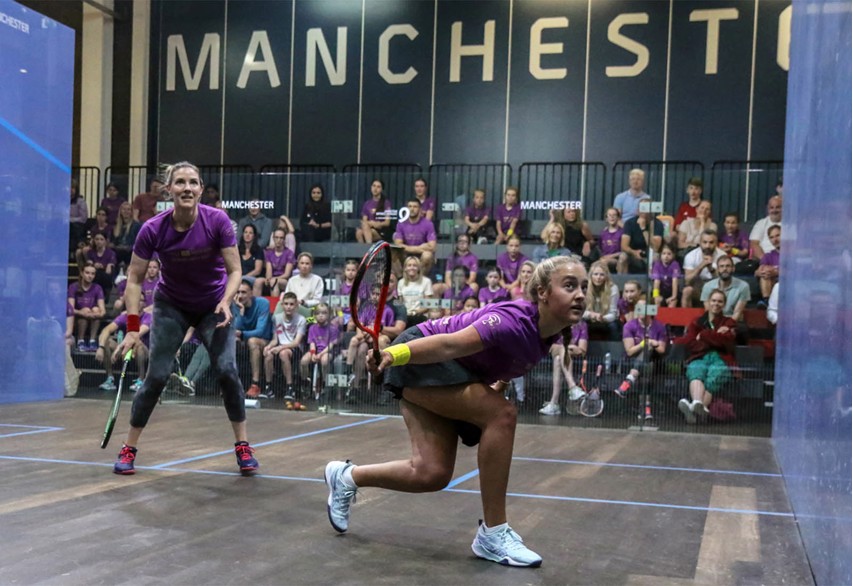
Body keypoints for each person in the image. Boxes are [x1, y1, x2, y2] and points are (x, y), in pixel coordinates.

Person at [323, 256, 587, 567]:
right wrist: (393, 355)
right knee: (502, 415)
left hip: (454, 371)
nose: (581, 294)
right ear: (542, 292)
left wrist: (496, 383)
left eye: (583, 286)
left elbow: (505, 358)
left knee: (431, 473)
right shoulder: (512, 319)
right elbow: (449, 345)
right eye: (569, 286)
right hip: (422, 356)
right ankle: (493, 533)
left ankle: (346, 477)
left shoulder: (549, 334)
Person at [111, 161, 260, 476]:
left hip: (213, 307)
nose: (187, 188)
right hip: (172, 306)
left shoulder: (217, 220)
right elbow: (135, 280)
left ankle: (243, 446)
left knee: (227, 371)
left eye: (193, 182)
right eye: (179, 182)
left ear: (201, 189)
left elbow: (236, 271)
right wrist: (133, 330)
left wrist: (225, 300)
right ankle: (128, 448)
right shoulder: (153, 228)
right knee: (157, 377)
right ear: (169, 190)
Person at [676, 289, 737, 424]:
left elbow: (725, 343)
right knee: (696, 370)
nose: (716, 304)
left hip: (721, 358)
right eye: (713, 300)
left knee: (716, 373)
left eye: (720, 301)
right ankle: (698, 405)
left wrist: (703, 336)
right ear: (708, 303)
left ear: (724, 304)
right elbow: (690, 343)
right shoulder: (696, 322)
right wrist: (714, 337)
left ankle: (694, 412)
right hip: (700, 356)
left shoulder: (729, 323)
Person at [345, 283, 396, 403]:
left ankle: (381, 383)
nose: (375, 296)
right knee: (361, 348)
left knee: (380, 341)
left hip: (379, 340)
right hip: (366, 340)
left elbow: (388, 331)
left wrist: (374, 333)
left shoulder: (388, 310)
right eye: (373, 294)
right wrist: (364, 334)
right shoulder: (366, 309)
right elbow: (360, 326)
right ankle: (354, 382)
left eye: (378, 294)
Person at [614, 307, 668, 421]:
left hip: (656, 361)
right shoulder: (629, 325)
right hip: (632, 361)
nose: (640, 311)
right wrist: (643, 343)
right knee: (647, 363)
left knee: (648, 355)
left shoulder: (659, 326)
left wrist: (654, 343)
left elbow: (662, 350)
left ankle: (629, 381)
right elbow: (630, 351)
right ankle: (646, 409)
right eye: (639, 308)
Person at [539, 320, 589, 416]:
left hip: (576, 359)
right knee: (559, 356)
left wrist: (565, 348)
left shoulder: (582, 325)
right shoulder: (555, 323)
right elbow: (551, 348)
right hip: (561, 355)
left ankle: (554, 403)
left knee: (561, 353)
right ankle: (572, 387)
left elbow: (582, 350)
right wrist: (567, 347)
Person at [264, 292, 307, 400]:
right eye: (286, 304)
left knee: (283, 353)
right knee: (268, 354)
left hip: (294, 348)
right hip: (280, 345)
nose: (288, 307)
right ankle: (268, 387)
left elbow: (296, 342)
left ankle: (290, 387)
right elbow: (275, 339)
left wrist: (280, 348)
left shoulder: (301, 319)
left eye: (291, 304)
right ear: (282, 305)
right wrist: (269, 346)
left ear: (296, 306)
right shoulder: (276, 318)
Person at [233, 279, 272, 399]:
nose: (240, 295)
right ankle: (232, 383)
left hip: (265, 340)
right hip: (243, 338)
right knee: (230, 341)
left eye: (244, 292)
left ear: (251, 293)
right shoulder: (235, 304)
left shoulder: (263, 303)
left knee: (252, 341)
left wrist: (242, 334)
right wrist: (241, 311)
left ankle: (255, 384)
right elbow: (235, 328)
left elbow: (260, 331)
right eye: (238, 292)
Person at [96, 310, 153, 393]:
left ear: (144, 304)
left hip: (144, 351)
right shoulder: (124, 317)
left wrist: (119, 348)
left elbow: (137, 335)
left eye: (140, 300)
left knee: (139, 344)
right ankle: (110, 379)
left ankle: (141, 380)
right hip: (126, 349)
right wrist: (101, 347)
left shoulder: (148, 317)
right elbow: (106, 330)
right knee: (107, 342)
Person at [299, 303, 340, 400]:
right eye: (318, 313)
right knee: (304, 361)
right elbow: (312, 343)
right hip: (316, 351)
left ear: (329, 314)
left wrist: (321, 354)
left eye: (324, 313)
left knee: (324, 360)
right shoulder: (312, 328)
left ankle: (325, 385)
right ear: (314, 315)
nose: (320, 315)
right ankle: (306, 383)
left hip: (328, 352)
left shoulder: (333, 329)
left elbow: (331, 345)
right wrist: (313, 353)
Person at [681, 230, 726, 308]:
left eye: (711, 242)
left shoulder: (722, 256)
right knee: (687, 291)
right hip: (698, 287)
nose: (707, 246)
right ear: (700, 242)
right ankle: (685, 318)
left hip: (715, 288)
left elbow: (724, 281)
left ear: (716, 243)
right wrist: (700, 267)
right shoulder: (691, 256)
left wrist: (711, 269)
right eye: (705, 242)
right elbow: (687, 281)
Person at [700, 255, 750, 325]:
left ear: (733, 268)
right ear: (717, 269)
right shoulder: (707, 286)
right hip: (713, 322)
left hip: (734, 323)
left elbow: (737, 312)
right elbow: (709, 311)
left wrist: (727, 327)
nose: (725, 269)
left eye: (728, 266)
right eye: (722, 266)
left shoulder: (743, 286)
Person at [617, 198, 664, 274]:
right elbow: (624, 246)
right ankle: (622, 282)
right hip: (632, 253)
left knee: (656, 258)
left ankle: (651, 284)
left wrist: (643, 229)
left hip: (650, 254)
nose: (643, 211)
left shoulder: (657, 224)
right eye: (641, 207)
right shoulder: (629, 223)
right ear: (637, 210)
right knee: (622, 257)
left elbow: (655, 247)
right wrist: (634, 252)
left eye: (645, 208)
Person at [68, 264, 106, 352]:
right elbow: (70, 309)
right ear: (82, 273)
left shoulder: (97, 288)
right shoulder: (73, 287)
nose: (90, 276)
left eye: (93, 274)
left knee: (96, 310)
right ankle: (80, 341)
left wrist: (96, 314)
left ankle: (92, 341)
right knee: (86, 311)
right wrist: (82, 313)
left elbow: (103, 310)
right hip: (77, 317)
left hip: (92, 317)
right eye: (87, 273)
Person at [393, 198, 437, 274]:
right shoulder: (401, 224)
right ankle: (401, 279)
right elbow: (398, 246)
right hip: (405, 255)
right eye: (410, 206)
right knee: (392, 254)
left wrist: (407, 247)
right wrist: (420, 248)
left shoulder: (428, 224)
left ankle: (419, 279)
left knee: (428, 255)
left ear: (420, 209)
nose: (412, 209)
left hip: (421, 256)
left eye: (415, 207)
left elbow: (432, 247)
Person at [434, 233, 479, 298]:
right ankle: (437, 308)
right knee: (436, 287)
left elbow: (472, 278)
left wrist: (462, 287)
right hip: (452, 285)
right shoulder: (451, 257)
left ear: (469, 244)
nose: (462, 243)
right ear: (457, 243)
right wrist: (453, 288)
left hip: (465, 285)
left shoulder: (473, 258)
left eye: (465, 242)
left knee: (474, 286)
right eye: (460, 241)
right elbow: (447, 277)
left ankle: (469, 306)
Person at [584, 261, 620, 340]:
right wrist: (591, 314)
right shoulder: (585, 287)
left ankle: (614, 350)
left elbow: (613, 314)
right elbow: (581, 313)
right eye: (595, 274)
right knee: (579, 324)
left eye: (602, 274)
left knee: (613, 326)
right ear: (591, 276)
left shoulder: (613, 288)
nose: (598, 277)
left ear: (606, 276)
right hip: (589, 318)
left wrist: (602, 318)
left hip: (606, 319)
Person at [397, 255, 433, 326]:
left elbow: (428, 305)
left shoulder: (426, 281)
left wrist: (415, 312)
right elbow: (400, 303)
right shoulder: (401, 282)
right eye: (409, 265)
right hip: (405, 316)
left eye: (414, 265)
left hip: (420, 316)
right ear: (405, 268)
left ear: (418, 268)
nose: (412, 268)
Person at [355, 179, 392, 244]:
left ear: (381, 189)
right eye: (374, 186)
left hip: (380, 230)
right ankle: (363, 251)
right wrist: (371, 223)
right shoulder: (367, 203)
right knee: (358, 232)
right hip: (368, 228)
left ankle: (369, 249)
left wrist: (377, 224)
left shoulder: (386, 203)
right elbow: (364, 220)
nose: (375, 189)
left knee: (366, 228)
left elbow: (387, 222)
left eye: (378, 187)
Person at [263, 228, 296, 297]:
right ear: (273, 238)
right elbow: (269, 270)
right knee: (258, 281)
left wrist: (274, 279)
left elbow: (287, 274)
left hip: (285, 280)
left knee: (273, 281)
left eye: (281, 238)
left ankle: (275, 305)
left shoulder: (289, 253)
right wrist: (268, 278)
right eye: (276, 237)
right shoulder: (269, 253)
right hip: (272, 278)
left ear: (284, 239)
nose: (279, 240)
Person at [749, 195, 782, 261]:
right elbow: (754, 244)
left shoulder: (790, 224)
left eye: (778, 207)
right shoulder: (761, 223)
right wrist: (766, 260)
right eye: (771, 208)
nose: (774, 210)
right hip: (764, 259)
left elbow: (792, 245)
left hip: (784, 259)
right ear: (768, 209)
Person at [755, 225, 781, 308]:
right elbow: (757, 271)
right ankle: (766, 301)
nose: (775, 240)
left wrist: (776, 272)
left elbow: (795, 271)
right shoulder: (768, 256)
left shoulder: (792, 253)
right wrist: (761, 272)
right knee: (764, 273)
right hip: (772, 283)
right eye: (772, 237)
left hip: (787, 283)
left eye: (778, 235)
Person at [591, 207, 623, 273]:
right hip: (604, 258)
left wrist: (611, 256)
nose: (612, 217)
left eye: (614, 215)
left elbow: (624, 251)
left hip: (617, 259)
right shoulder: (603, 233)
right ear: (606, 218)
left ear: (618, 218)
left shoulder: (622, 232)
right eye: (610, 215)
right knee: (593, 265)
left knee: (603, 263)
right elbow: (600, 248)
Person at [111, 201, 142, 267]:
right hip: (118, 251)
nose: (126, 211)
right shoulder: (115, 226)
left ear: (131, 212)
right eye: (124, 209)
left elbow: (139, 242)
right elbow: (113, 242)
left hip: (131, 251)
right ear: (120, 211)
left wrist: (129, 247)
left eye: (128, 209)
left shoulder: (137, 225)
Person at [651, 243, 682, 307]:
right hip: (661, 291)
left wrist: (673, 296)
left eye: (669, 254)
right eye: (664, 253)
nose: (666, 256)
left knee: (672, 303)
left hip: (672, 291)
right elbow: (656, 282)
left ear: (673, 255)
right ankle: (657, 317)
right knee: (657, 301)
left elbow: (675, 281)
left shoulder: (675, 264)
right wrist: (656, 295)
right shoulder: (657, 265)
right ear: (660, 254)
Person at [69, 178, 89, 256]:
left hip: (78, 225)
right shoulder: (62, 201)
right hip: (66, 225)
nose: (70, 190)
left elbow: (83, 218)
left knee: (74, 228)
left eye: (73, 188)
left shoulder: (80, 201)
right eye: (69, 187)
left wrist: (70, 219)